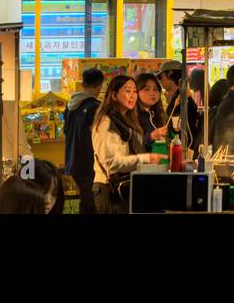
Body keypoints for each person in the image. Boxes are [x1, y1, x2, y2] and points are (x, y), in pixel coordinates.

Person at [92, 74, 164, 214]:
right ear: (114, 95)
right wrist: (146, 158)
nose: (132, 96)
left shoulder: (127, 120)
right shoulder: (106, 121)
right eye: (127, 91)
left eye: (134, 91)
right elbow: (111, 162)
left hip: (126, 188)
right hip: (109, 189)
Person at [64, 66, 103, 215]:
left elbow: (66, 131)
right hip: (89, 162)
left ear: (83, 83)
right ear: (99, 85)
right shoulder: (95, 107)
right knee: (91, 203)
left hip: (73, 160)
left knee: (86, 199)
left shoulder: (70, 106)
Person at [158, 61, 199, 149]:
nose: (160, 80)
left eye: (161, 77)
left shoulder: (181, 100)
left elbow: (176, 129)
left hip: (181, 148)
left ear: (170, 74)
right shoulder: (181, 97)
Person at [135, 72, 168, 149]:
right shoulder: (132, 116)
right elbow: (132, 146)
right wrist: (151, 137)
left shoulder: (159, 115)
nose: (152, 93)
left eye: (155, 89)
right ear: (136, 91)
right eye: (146, 89)